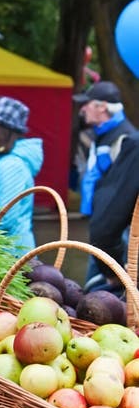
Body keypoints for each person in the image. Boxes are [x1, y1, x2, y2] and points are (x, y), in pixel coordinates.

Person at [72, 80, 139, 290]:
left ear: (102, 107)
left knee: (104, 290)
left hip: (116, 227)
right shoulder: (100, 134)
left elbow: (122, 194)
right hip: (101, 219)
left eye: (87, 103)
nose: (83, 108)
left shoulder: (125, 139)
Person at [0, 96, 43, 252]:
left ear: (2, 131)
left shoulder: (11, 165)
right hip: (4, 250)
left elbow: (5, 217)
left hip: (11, 254)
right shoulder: (5, 160)